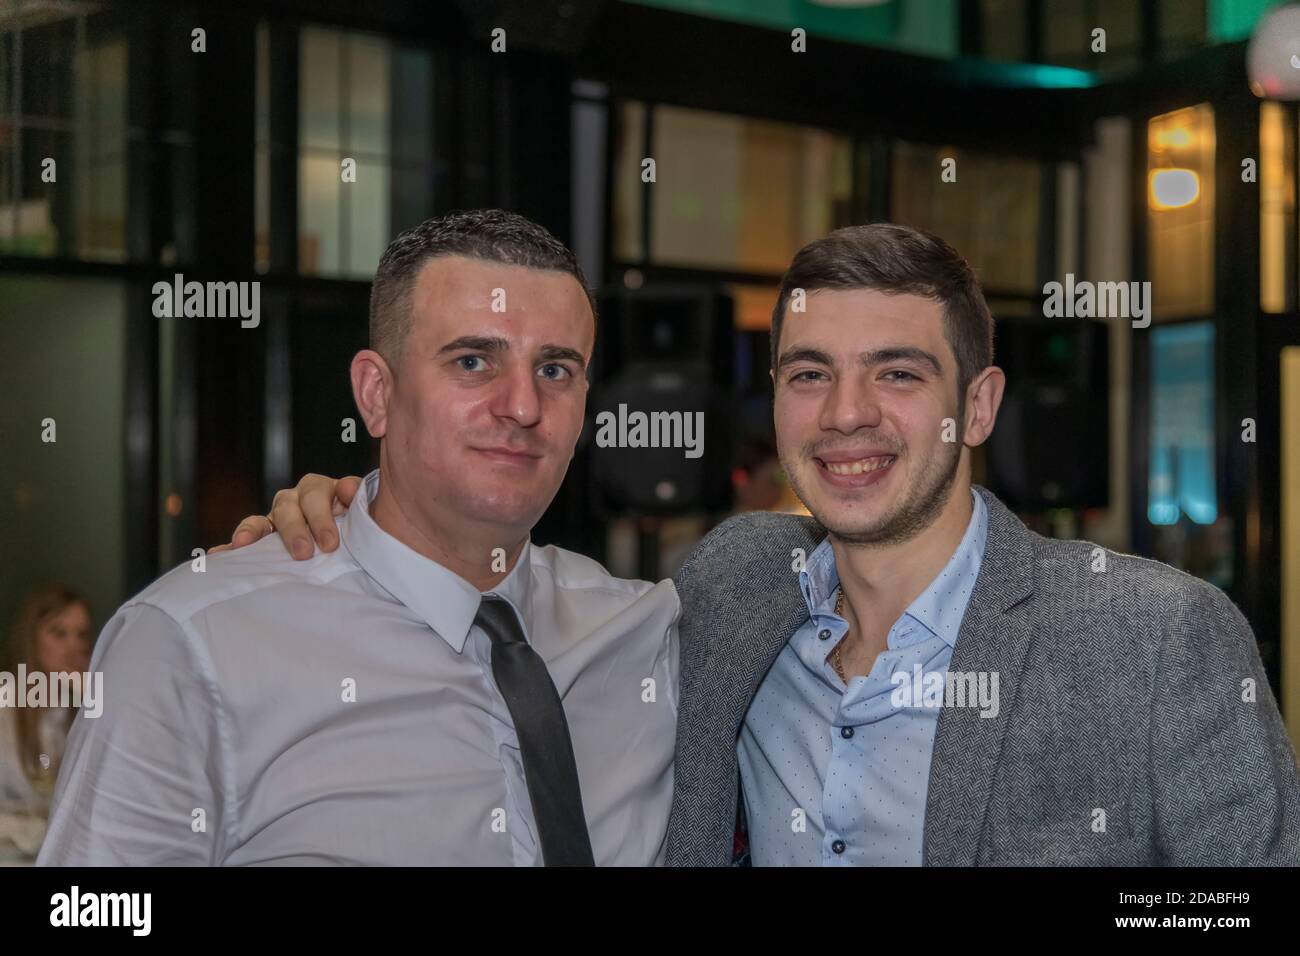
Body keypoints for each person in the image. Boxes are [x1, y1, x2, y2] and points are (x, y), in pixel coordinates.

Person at [236, 222, 1300, 866]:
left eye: (896, 372)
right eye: (807, 373)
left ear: (975, 407)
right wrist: (353, 518)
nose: (846, 415)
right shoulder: (731, 586)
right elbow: (499, 599)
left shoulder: (1156, 634)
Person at [38, 210, 679, 866]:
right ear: (376, 394)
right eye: (473, 360)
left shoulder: (650, 632)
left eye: (555, 371)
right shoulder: (192, 647)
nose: (522, 405)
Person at [1, 585, 92, 861]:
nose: (75, 646)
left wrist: (93, 700)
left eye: (82, 635)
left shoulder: (81, 706)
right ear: (32, 637)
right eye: (59, 633)